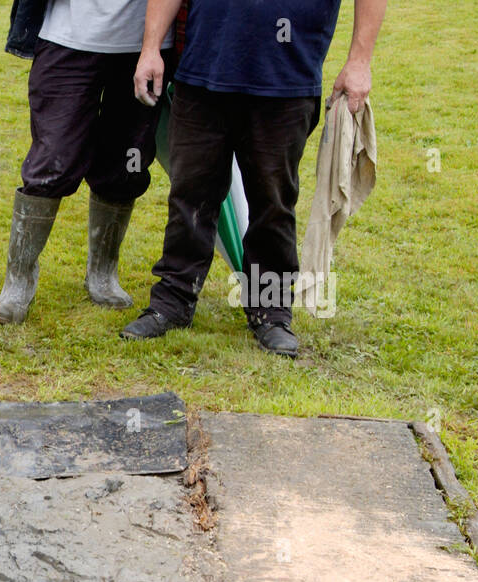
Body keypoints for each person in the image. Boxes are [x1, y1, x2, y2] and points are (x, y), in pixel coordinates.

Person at [123, 0, 386, 357]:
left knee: (272, 201)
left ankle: (271, 311)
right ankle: (173, 301)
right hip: (204, 67)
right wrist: (151, 48)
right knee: (190, 195)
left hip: (286, 76)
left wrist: (359, 62)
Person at [0, 0, 175, 324]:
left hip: (146, 45)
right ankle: (17, 285)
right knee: (51, 158)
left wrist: (153, 46)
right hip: (67, 37)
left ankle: (102, 274)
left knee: (127, 162)